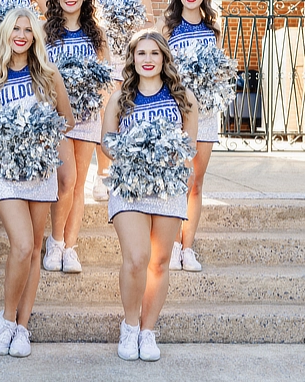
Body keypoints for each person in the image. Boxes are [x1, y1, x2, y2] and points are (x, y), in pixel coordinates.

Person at [0, 8, 74, 358]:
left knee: (32, 251)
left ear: (35, 36)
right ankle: (7, 318)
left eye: (28, 30)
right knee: (23, 244)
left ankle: (23, 328)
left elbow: (67, 121)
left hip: (39, 169)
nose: (22, 34)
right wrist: (10, 134)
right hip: (3, 167)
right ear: (5, 32)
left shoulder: (47, 74)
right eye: (16, 28)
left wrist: (36, 135)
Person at [101, 30, 197, 362]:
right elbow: (107, 143)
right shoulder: (120, 98)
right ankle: (129, 327)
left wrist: (168, 161)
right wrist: (138, 153)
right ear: (132, 59)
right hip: (129, 187)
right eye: (141, 53)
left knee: (158, 261)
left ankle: (148, 330)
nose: (147, 59)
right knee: (138, 257)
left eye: (154, 53)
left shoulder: (182, 97)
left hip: (167, 187)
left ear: (164, 58)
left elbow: (190, 146)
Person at [43, 0, 108, 274]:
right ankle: (55, 241)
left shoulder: (97, 32)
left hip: (87, 115)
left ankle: (70, 247)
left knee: (79, 184)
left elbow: (106, 75)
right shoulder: (45, 32)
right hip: (58, 117)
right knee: (65, 180)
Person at [160, 0, 222, 273]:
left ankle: (188, 248)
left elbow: (219, 69)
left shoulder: (214, 28)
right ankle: (170, 246)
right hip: (177, 111)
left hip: (207, 113)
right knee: (178, 180)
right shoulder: (168, 27)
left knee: (196, 183)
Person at [91, 0, 155, 202]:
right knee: (106, 115)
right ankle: (103, 175)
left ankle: (126, 170)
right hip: (105, 61)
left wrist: (129, 28)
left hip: (130, 63)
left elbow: (149, 21)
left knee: (129, 114)